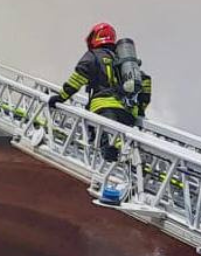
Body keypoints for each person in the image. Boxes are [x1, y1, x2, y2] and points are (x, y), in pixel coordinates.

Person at [47, 22, 152, 161]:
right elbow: (145, 81)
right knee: (120, 140)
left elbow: (78, 79)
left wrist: (61, 97)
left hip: (104, 108)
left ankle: (119, 155)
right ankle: (133, 158)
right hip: (128, 112)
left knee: (109, 143)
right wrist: (141, 109)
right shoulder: (122, 60)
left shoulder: (93, 56)